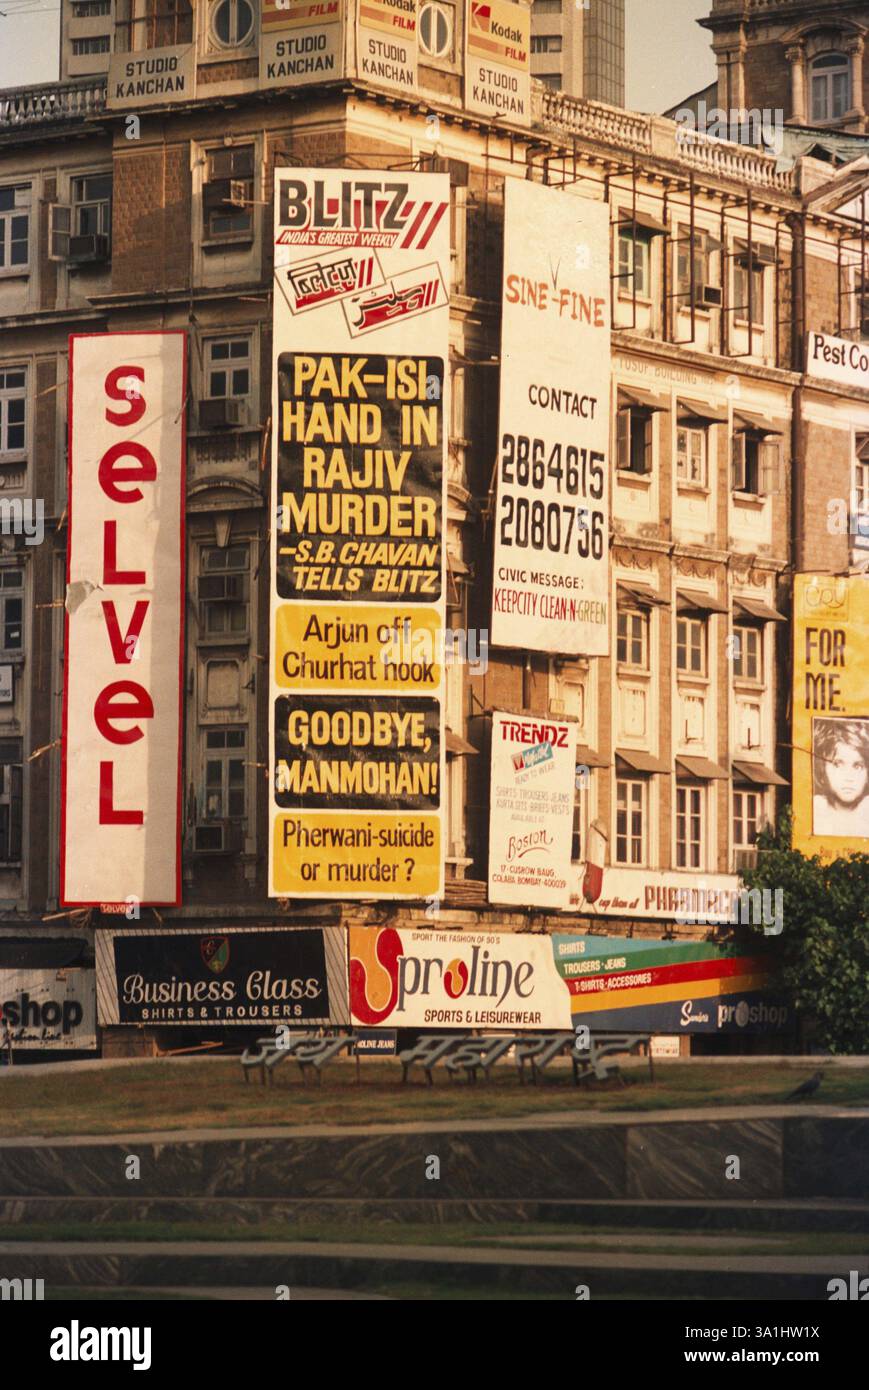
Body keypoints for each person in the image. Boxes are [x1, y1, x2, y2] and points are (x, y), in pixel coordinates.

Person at [812, 718, 869, 836]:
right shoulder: (814, 810)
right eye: (838, 764)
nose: (849, 777)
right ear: (822, 768)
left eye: (857, 766)